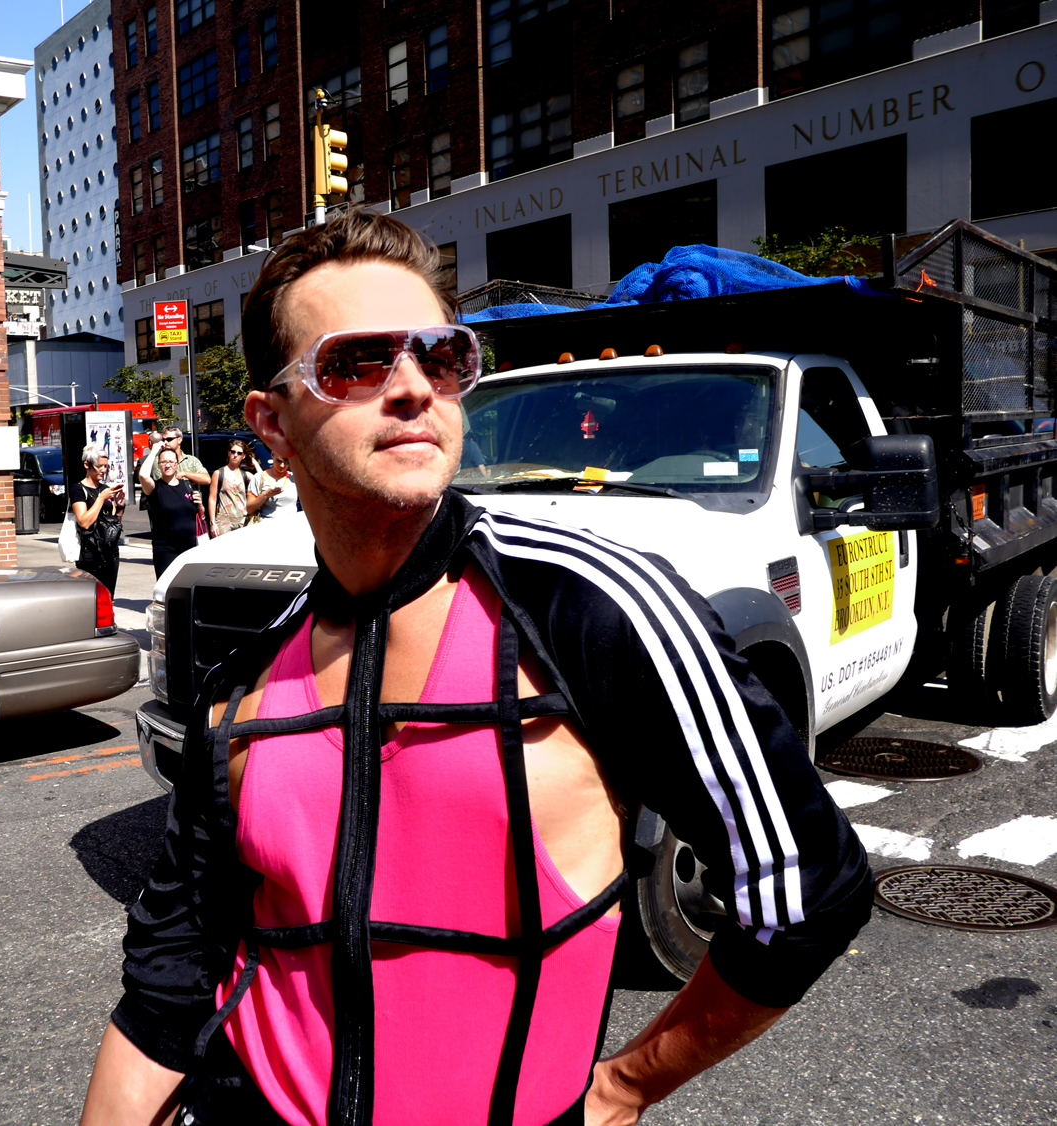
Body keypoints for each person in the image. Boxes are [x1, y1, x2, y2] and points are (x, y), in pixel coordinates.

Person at [80, 210, 871, 1126]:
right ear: (272, 423)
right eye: (356, 362)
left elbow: (811, 888)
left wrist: (623, 1087)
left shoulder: (593, 608)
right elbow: (170, 979)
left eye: (441, 355)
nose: (413, 387)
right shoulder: (245, 683)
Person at [138, 441, 205, 578]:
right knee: (167, 588)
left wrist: (200, 507)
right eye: (163, 462)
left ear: (177, 464)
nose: (167, 465)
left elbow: (197, 515)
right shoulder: (155, 488)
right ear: (158, 465)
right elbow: (143, 476)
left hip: (189, 547)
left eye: (171, 462)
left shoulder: (187, 485)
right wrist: (154, 450)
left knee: (187, 587)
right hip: (165, 549)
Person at [70, 443, 123, 593]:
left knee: (108, 597)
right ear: (87, 464)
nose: (103, 470)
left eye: (106, 466)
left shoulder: (105, 488)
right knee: (91, 598)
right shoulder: (78, 490)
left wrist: (119, 507)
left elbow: (114, 524)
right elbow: (84, 522)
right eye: (99, 466)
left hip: (110, 553)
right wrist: (101, 499)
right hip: (90, 553)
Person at [207, 440, 251, 537]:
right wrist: (213, 523)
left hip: (242, 521)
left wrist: (253, 462)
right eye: (233, 452)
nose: (235, 455)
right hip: (223, 521)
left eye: (239, 453)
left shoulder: (246, 475)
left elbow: (262, 480)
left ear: (243, 456)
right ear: (228, 453)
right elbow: (212, 499)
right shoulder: (218, 473)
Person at [143, 426, 209, 488]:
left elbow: (207, 479)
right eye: (163, 439)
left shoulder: (191, 460)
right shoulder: (159, 461)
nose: (165, 442)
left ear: (179, 440)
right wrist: (193, 480)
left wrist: (184, 473)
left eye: (169, 439)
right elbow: (165, 484)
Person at [247, 454, 298, 521]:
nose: (282, 465)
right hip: (267, 525)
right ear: (273, 455)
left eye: (286, 461)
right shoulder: (259, 478)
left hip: (291, 524)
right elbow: (249, 509)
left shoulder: (295, 479)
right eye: (279, 461)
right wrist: (265, 495)